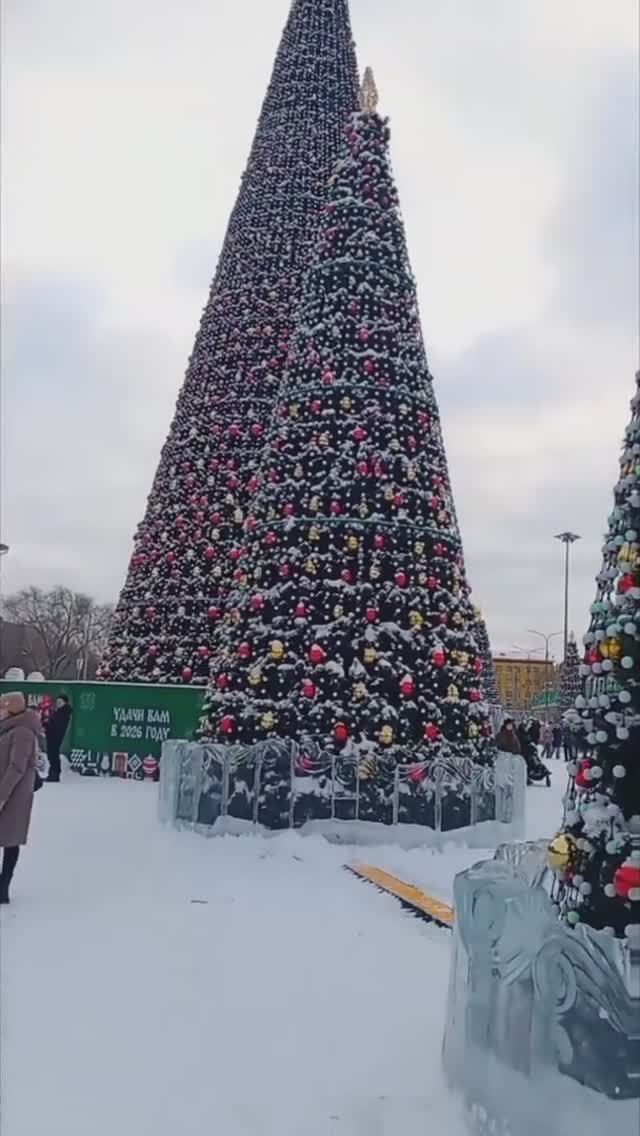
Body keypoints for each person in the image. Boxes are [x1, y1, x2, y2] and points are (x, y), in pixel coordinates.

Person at [0, 692, 41, 904]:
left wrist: (1, 796)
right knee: (8, 839)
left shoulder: (22, 732)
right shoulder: (11, 729)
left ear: (11, 709)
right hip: (8, 793)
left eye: (2, 707)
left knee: (10, 840)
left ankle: (3, 887)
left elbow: (17, 767)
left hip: (13, 796)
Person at [45, 694, 72, 783]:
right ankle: (53, 774)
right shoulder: (60, 711)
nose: (58, 704)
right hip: (53, 735)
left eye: (60, 702)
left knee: (53, 754)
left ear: (65, 702)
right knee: (52, 754)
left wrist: (47, 726)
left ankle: (54, 774)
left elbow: (56, 725)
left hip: (55, 736)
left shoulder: (63, 712)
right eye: (57, 702)